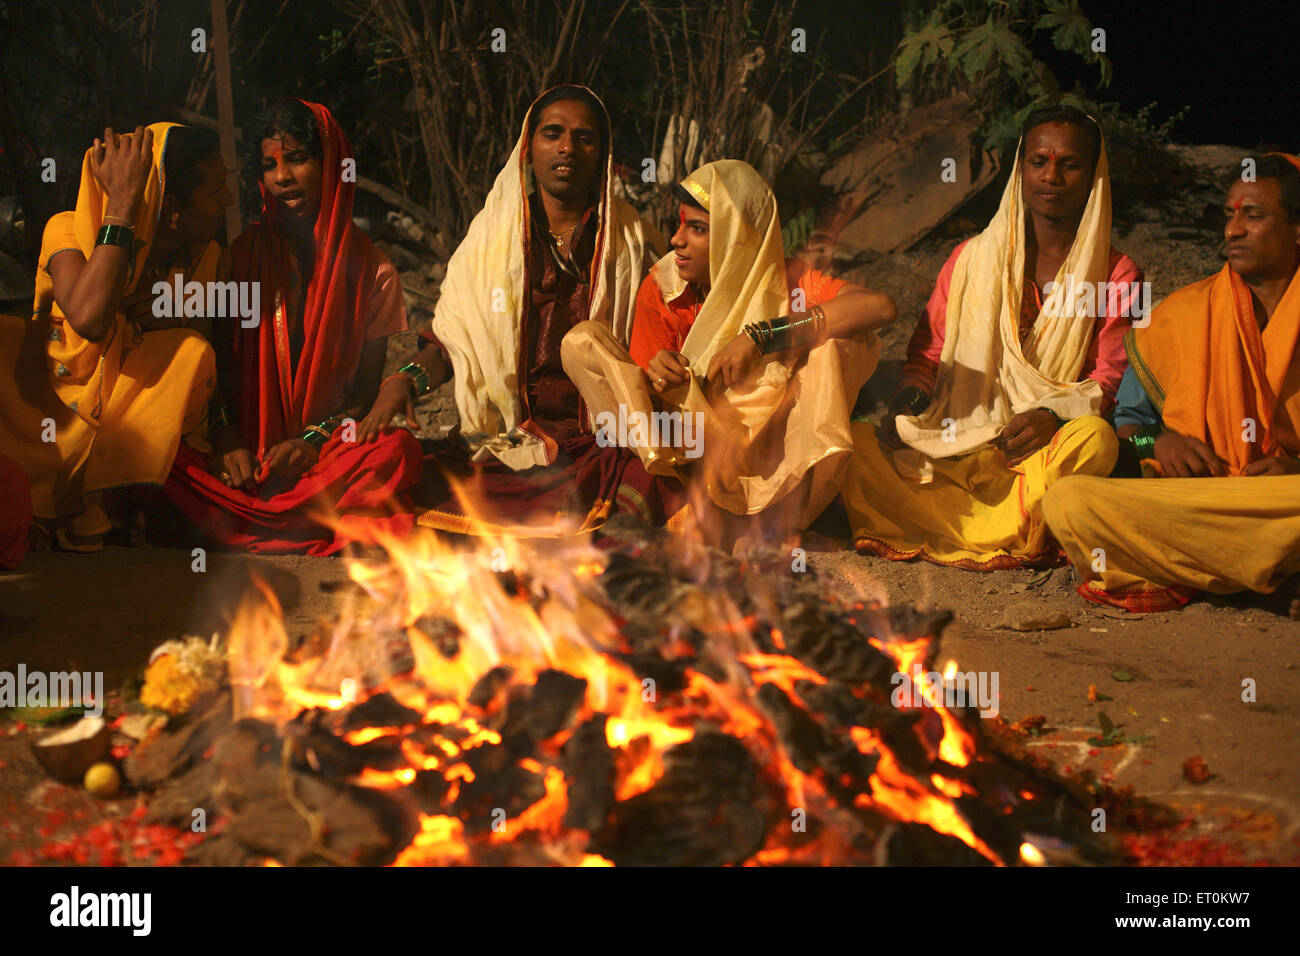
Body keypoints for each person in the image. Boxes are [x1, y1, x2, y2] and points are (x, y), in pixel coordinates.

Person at [842, 105, 1142, 569]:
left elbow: (1109, 381)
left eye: (1069, 164)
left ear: (1094, 175)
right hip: (955, 441)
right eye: (1038, 161)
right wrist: (911, 402)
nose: (1051, 177)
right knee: (856, 442)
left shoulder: (1118, 275)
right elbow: (930, 352)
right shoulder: (971, 258)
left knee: (1096, 441)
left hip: (1036, 450)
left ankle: (946, 525)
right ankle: (1005, 528)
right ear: (1020, 169)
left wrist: (1050, 416)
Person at [375, 85, 667, 536]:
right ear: (528, 149)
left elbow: (661, 333)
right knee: (397, 475)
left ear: (602, 153)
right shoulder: (491, 239)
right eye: (553, 133)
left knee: (652, 478)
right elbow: (457, 341)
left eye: (584, 137)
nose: (567, 147)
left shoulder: (633, 239)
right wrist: (405, 380)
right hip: (511, 440)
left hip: (604, 443)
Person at [561, 158, 896, 546]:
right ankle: (677, 491)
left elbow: (879, 308)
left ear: (738, 238)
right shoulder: (663, 288)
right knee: (582, 341)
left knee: (841, 341)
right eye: (680, 224)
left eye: (698, 229)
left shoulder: (784, 279)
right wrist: (657, 370)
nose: (676, 240)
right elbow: (641, 395)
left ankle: (783, 514)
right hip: (686, 445)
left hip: (765, 450)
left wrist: (763, 336)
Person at [1044, 153, 1300, 612]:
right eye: (1229, 216)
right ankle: (1266, 568)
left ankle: (1233, 567)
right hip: (1198, 500)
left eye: (1254, 216)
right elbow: (1129, 426)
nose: (1232, 230)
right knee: (1069, 500)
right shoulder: (1181, 315)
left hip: (1283, 501)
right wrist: (1157, 443)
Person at [164, 100, 420, 555]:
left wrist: (311, 443)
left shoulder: (375, 272)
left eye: (297, 158)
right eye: (268, 165)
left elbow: (363, 395)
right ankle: (318, 514)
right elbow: (215, 369)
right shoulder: (242, 255)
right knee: (163, 453)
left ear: (332, 165)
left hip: (325, 455)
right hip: (248, 462)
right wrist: (228, 440)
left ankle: (255, 520)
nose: (281, 177)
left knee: (395, 447)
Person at [0, 123, 230, 554]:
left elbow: (200, 372)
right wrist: (123, 203)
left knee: (189, 351)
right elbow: (88, 319)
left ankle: (111, 496)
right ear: (174, 205)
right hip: (42, 416)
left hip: (125, 427)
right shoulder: (67, 230)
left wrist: (163, 325)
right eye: (216, 191)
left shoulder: (205, 259)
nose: (228, 202)